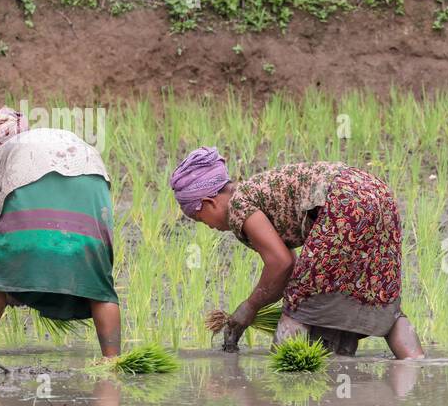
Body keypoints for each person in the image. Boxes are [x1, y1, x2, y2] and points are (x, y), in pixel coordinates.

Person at [169, 148, 424, 359]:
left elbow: (281, 264)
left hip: (343, 201)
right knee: (381, 298)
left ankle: (285, 386)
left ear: (209, 202)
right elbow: (289, 262)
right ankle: (416, 365)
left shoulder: (238, 205)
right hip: (376, 194)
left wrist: (249, 307)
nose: (211, 227)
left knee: (299, 303)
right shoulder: (256, 190)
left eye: (201, 219)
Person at [0, 106, 121, 358]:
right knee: (99, 285)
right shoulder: (59, 136)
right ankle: (113, 361)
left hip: (61, 177)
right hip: (94, 173)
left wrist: (12, 280)